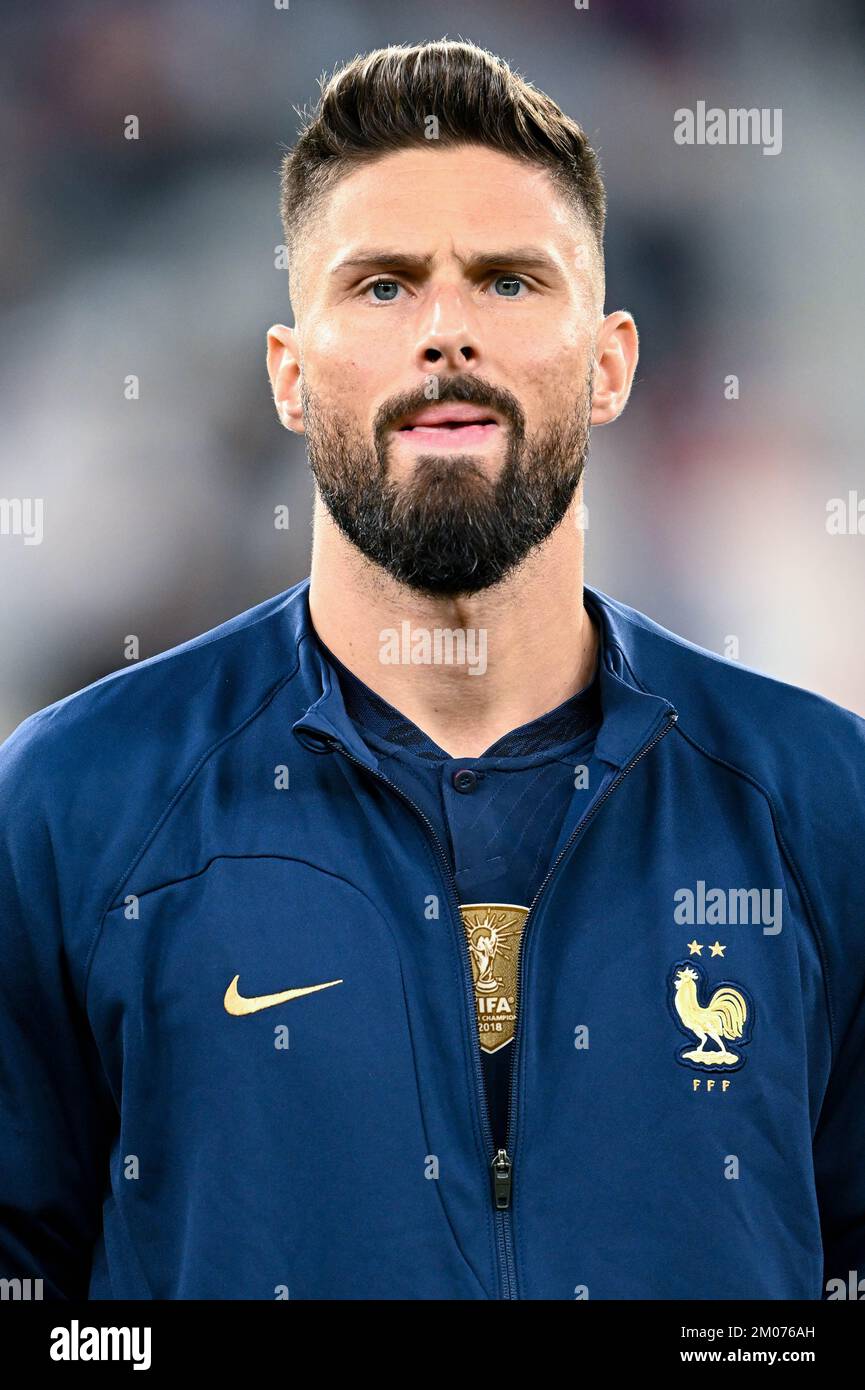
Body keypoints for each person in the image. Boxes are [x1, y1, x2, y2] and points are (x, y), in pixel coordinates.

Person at [1, 39, 863, 1302]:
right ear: (291, 378)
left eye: (509, 283)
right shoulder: (76, 805)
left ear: (610, 361)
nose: (447, 331)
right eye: (384, 286)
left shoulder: (818, 799)